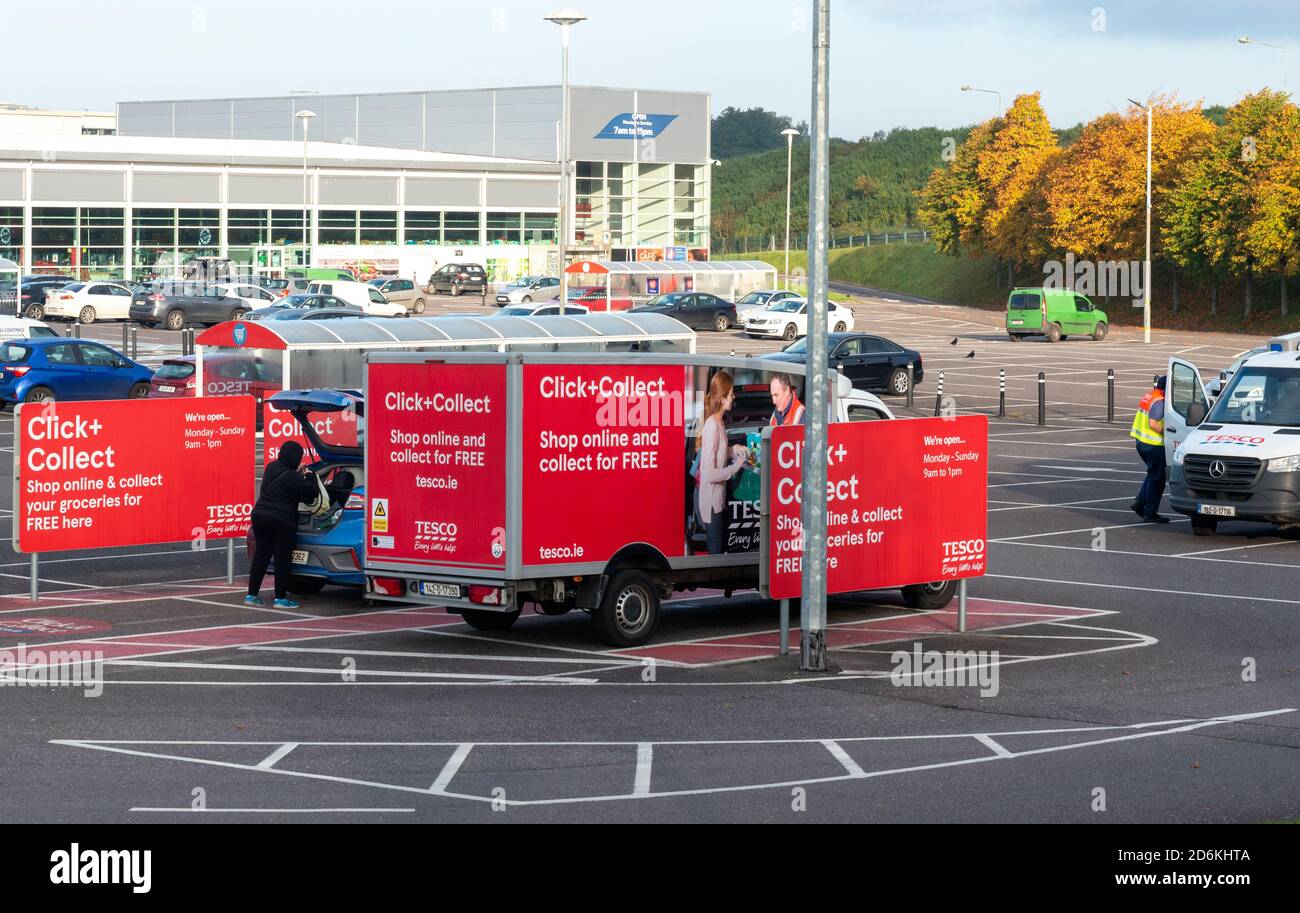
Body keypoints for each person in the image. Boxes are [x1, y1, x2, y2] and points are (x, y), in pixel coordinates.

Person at [246, 441, 321, 608]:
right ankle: (280, 598)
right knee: (282, 558)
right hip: (281, 520)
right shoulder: (294, 476)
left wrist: (297, 474)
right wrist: (309, 475)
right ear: (295, 457)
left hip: (259, 516)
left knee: (261, 556)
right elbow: (311, 492)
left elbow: (283, 485)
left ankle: (251, 595)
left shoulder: (271, 467)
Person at [696, 371, 749, 554]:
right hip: (711, 504)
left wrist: (735, 450)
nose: (734, 397)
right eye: (731, 393)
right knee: (715, 554)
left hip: (717, 501)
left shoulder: (719, 422)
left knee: (718, 550)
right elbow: (710, 473)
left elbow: (719, 453)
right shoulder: (712, 425)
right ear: (723, 396)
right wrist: (735, 467)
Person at [1130, 375, 1169, 524]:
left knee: (1152, 474)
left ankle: (1140, 502)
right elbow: (1153, 423)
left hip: (1141, 441)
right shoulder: (1161, 401)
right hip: (1154, 444)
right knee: (1157, 479)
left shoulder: (1150, 395)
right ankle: (1150, 513)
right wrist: (1168, 431)